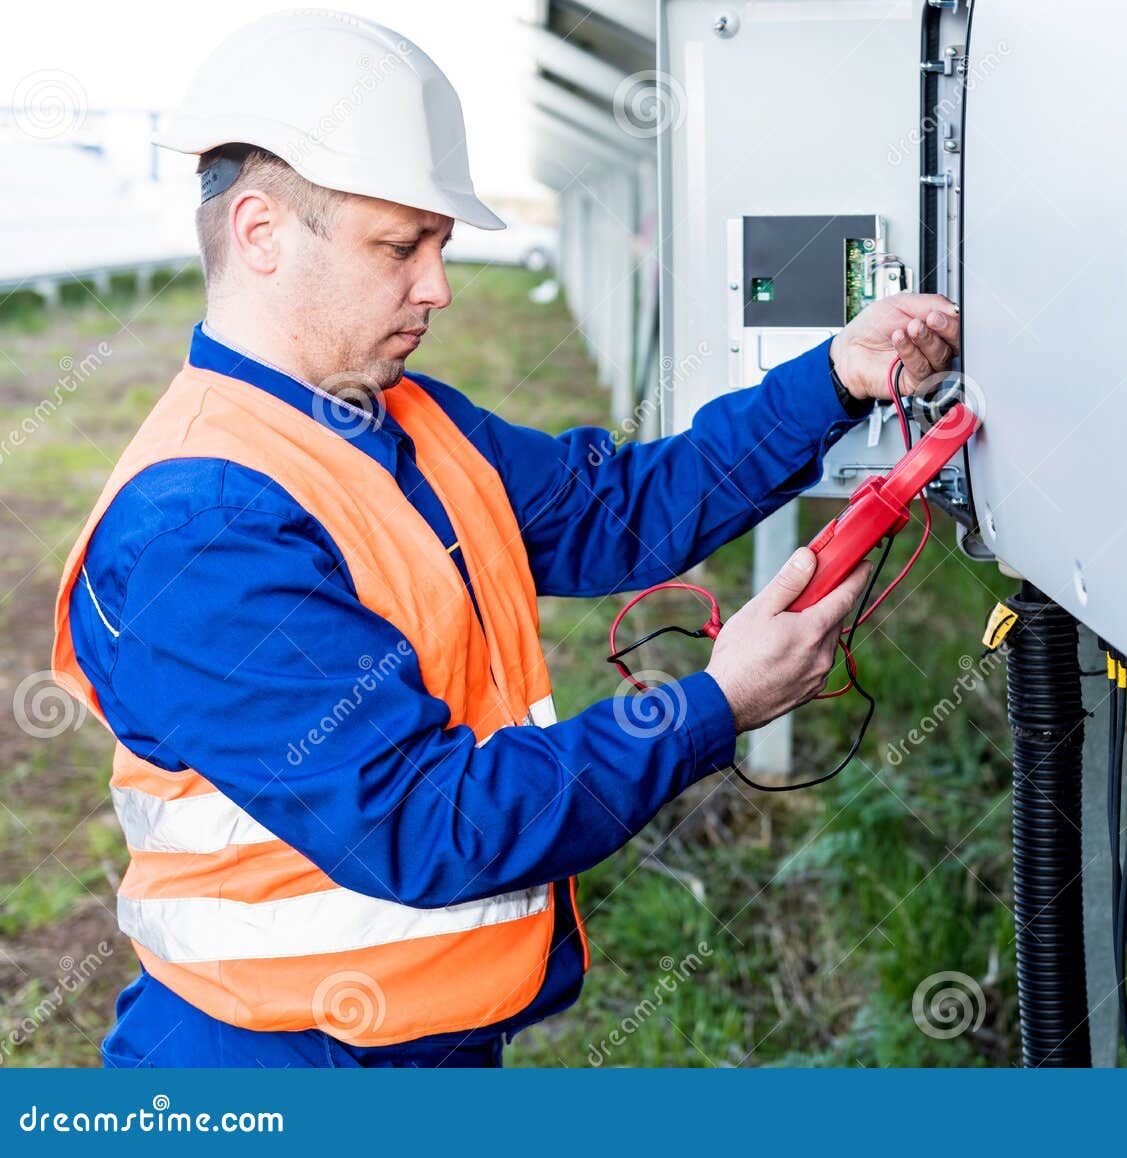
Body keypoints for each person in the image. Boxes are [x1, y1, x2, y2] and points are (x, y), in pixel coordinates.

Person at [49, 9, 961, 1067]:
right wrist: (715, 706)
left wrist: (835, 379)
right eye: (400, 246)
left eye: (437, 245)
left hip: (416, 1042)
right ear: (259, 233)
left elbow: (621, 511)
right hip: (276, 1060)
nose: (436, 285)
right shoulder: (201, 527)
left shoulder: (403, 423)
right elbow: (421, 821)